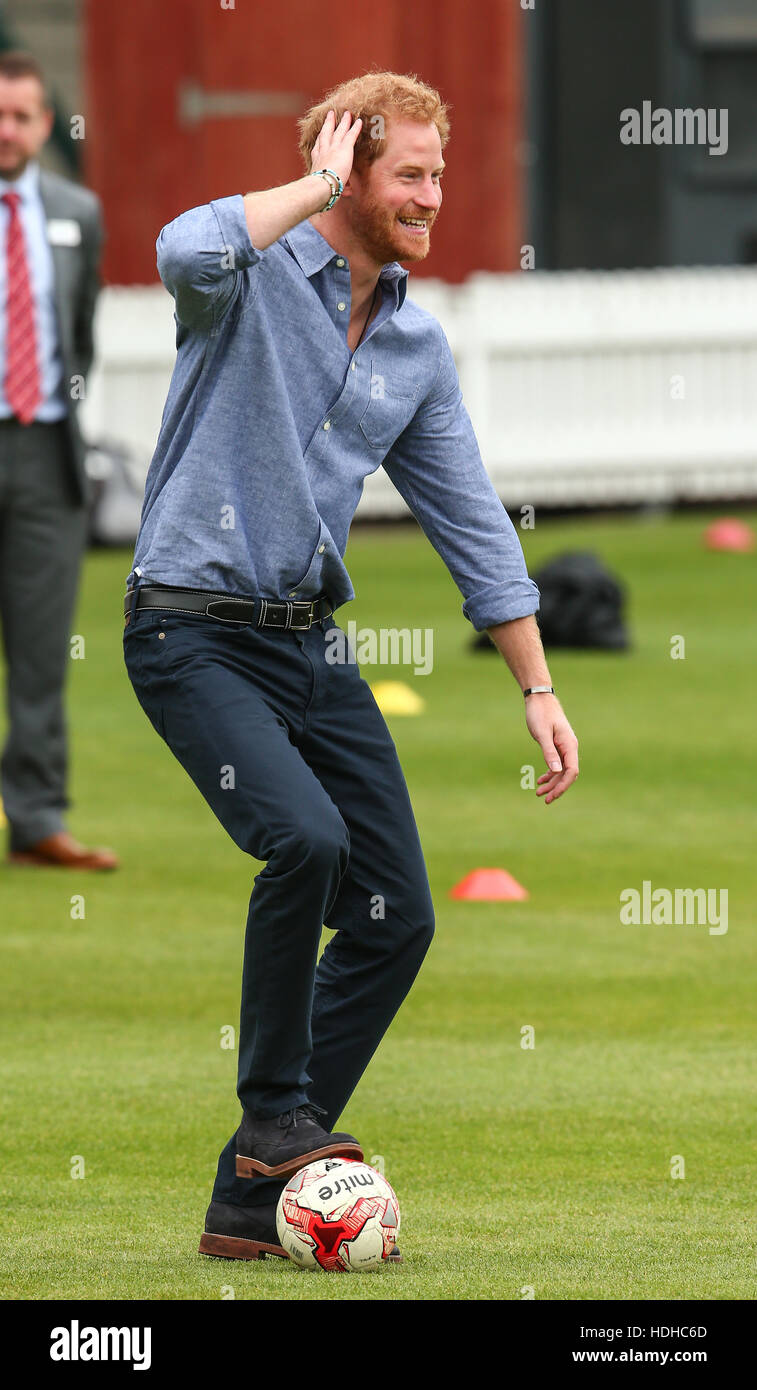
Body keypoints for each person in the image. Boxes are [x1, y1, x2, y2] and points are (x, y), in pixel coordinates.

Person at [123, 71, 579, 1263]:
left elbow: (472, 522)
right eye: (407, 174)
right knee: (306, 842)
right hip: (188, 629)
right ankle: (276, 1117)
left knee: (397, 912)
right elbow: (179, 249)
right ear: (349, 174)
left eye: (437, 172)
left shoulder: (418, 346)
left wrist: (537, 685)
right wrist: (312, 185)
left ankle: (248, 1189)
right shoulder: (247, 283)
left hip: (309, 646)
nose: (433, 195)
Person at [0, 51, 117, 870]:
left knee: (43, 653)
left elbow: (82, 329)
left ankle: (37, 819)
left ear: (45, 124)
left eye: (22, 116)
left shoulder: (77, 209)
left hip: (47, 454)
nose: (7, 131)